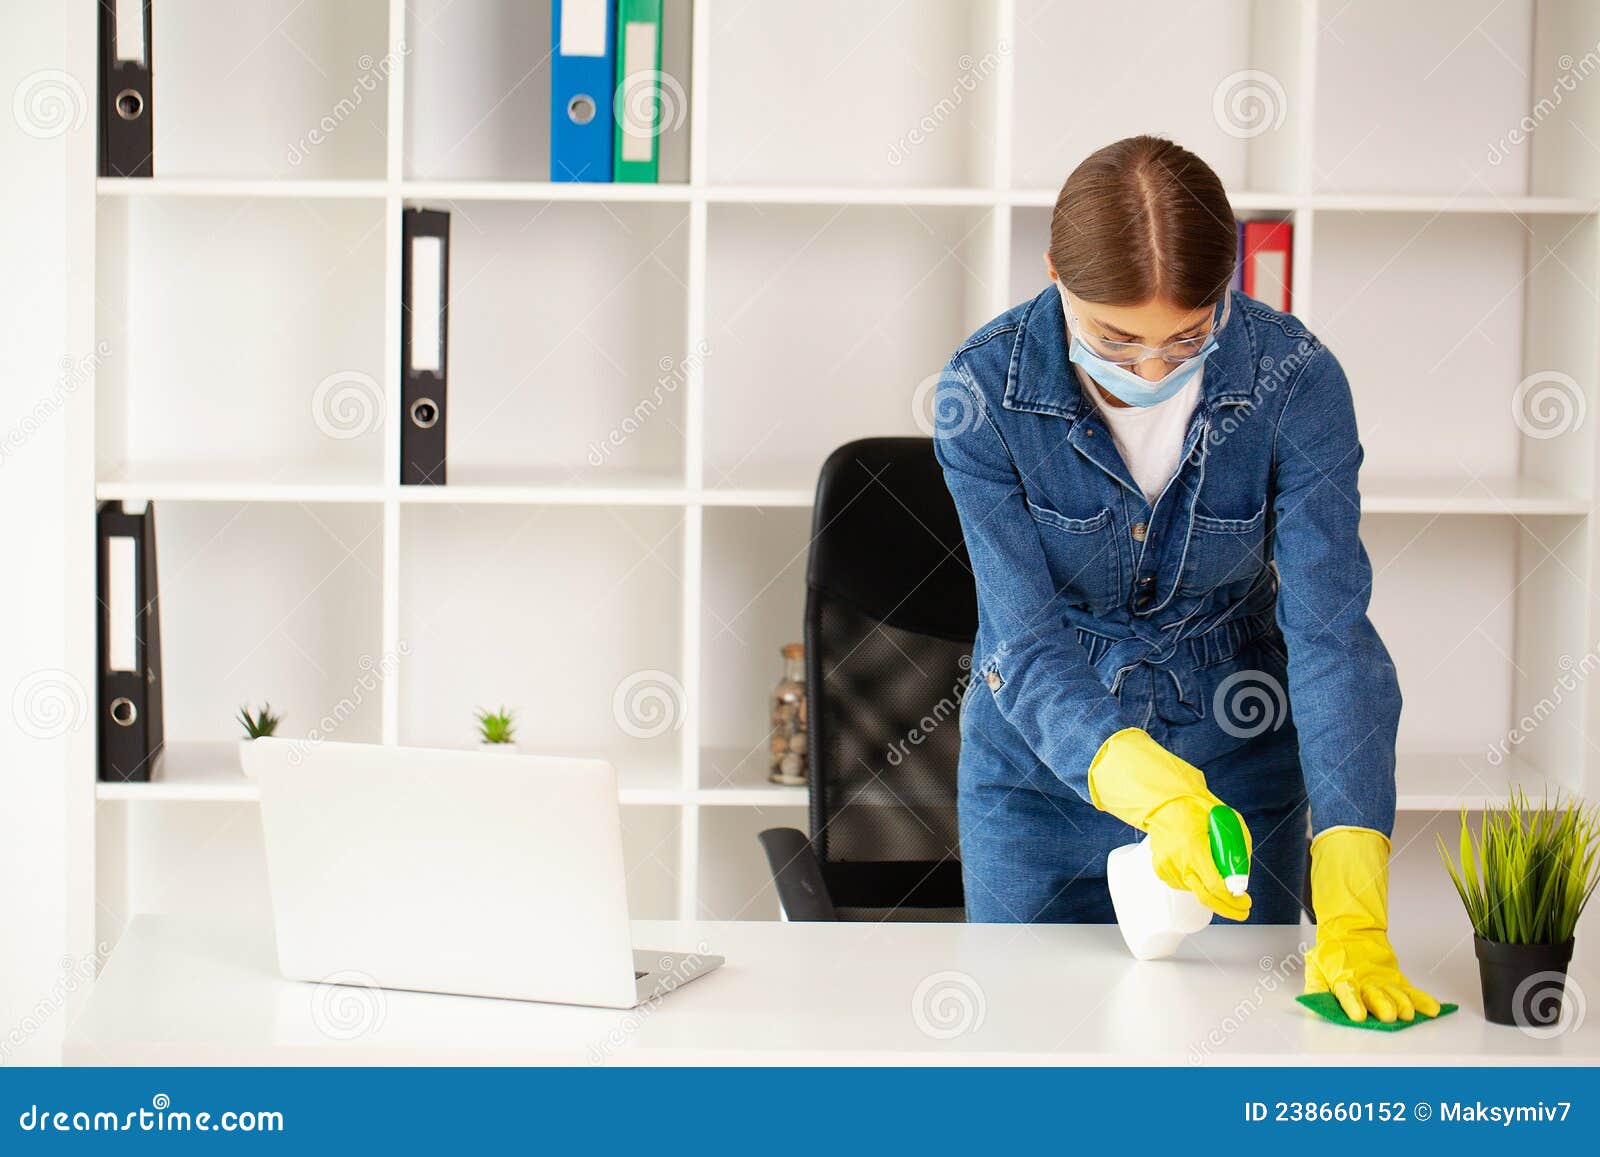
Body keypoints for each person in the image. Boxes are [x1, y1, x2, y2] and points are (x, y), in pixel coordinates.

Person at [933, 135, 1439, 1024]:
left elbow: (1330, 633)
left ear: (1229, 283)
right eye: (1116, 339)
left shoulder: (1297, 382)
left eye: (1188, 336)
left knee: (1233, 1041)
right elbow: (1023, 640)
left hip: (1238, 756)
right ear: (1054, 272)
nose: (1154, 372)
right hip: (1041, 779)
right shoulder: (982, 391)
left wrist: (1352, 858)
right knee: (1025, 1045)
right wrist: (1152, 788)